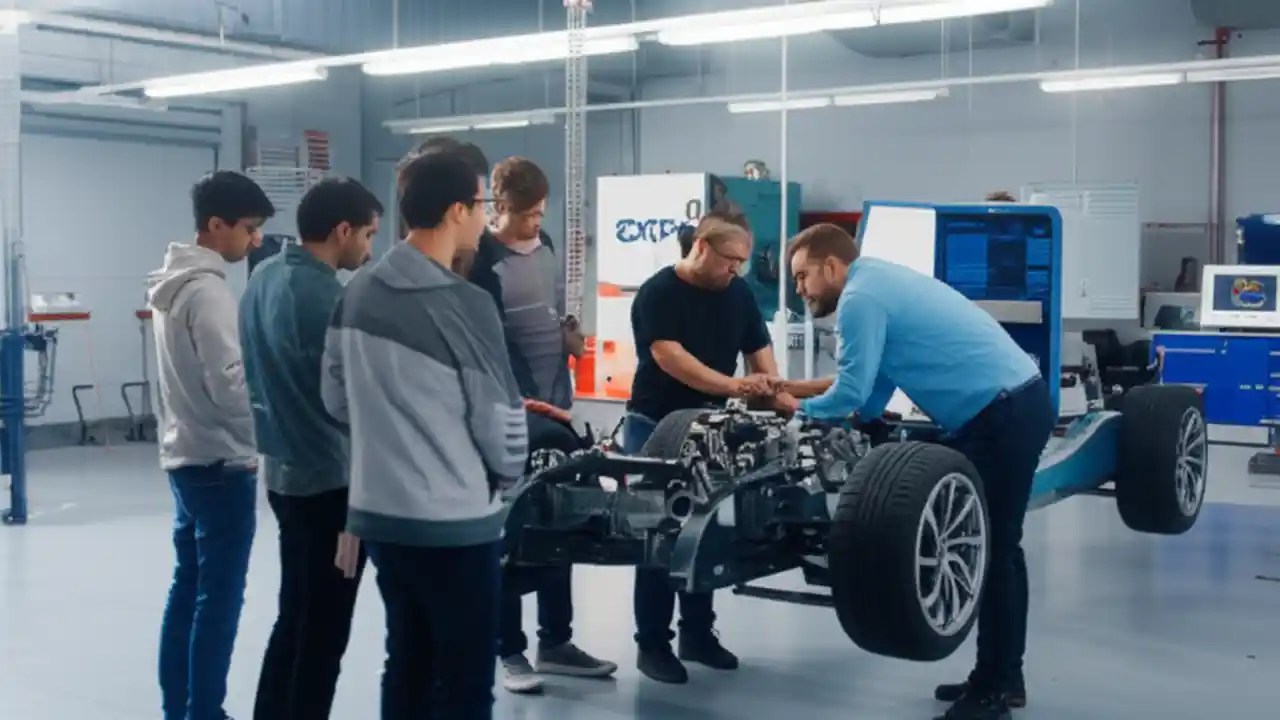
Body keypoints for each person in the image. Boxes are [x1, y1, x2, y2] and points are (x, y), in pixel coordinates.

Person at [780, 223, 1054, 720]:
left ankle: (994, 691)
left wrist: (796, 412)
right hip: (1007, 406)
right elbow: (878, 384)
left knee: (990, 546)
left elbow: (851, 390)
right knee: (993, 544)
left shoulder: (862, 298)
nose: (800, 290)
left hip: (1002, 413)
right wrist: (855, 417)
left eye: (802, 277)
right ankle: (1001, 677)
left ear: (832, 266)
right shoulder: (879, 282)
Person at [322, 150, 525, 720]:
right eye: (484, 204)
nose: (486, 216)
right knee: (463, 681)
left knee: (406, 662)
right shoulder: (464, 303)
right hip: (454, 524)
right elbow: (501, 425)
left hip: (381, 517)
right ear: (458, 210)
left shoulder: (356, 291)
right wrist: (506, 480)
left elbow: (334, 399)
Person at [622, 211, 794, 684]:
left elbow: (759, 351)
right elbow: (670, 357)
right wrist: (735, 386)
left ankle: (697, 633)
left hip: (710, 426)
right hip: (654, 425)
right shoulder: (659, 292)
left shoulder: (737, 293)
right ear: (700, 247)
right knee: (658, 533)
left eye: (742, 261)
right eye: (729, 259)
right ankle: (652, 644)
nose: (735, 269)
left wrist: (780, 397)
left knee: (706, 529)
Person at [468, 156, 613, 693]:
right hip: (515, 408)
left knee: (562, 524)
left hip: (559, 402)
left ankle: (557, 640)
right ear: (499, 207)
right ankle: (509, 651)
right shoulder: (480, 258)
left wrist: (569, 335)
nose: (535, 222)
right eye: (527, 214)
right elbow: (490, 336)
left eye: (540, 213)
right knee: (513, 531)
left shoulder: (547, 244)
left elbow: (552, 310)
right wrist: (523, 397)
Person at [241, 177, 383, 720]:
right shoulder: (332, 297)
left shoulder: (263, 278)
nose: (369, 250)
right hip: (333, 486)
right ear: (342, 230)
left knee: (293, 615)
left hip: (282, 475)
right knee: (325, 630)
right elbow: (361, 398)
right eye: (368, 235)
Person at [149, 170, 274, 720]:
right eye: (248, 229)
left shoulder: (170, 285)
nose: (255, 241)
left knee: (188, 593)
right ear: (215, 225)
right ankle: (206, 712)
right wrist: (268, 437)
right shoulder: (211, 293)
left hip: (184, 457)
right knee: (218, 605)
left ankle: (180, 709)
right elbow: (232, 389)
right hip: (223, 464)